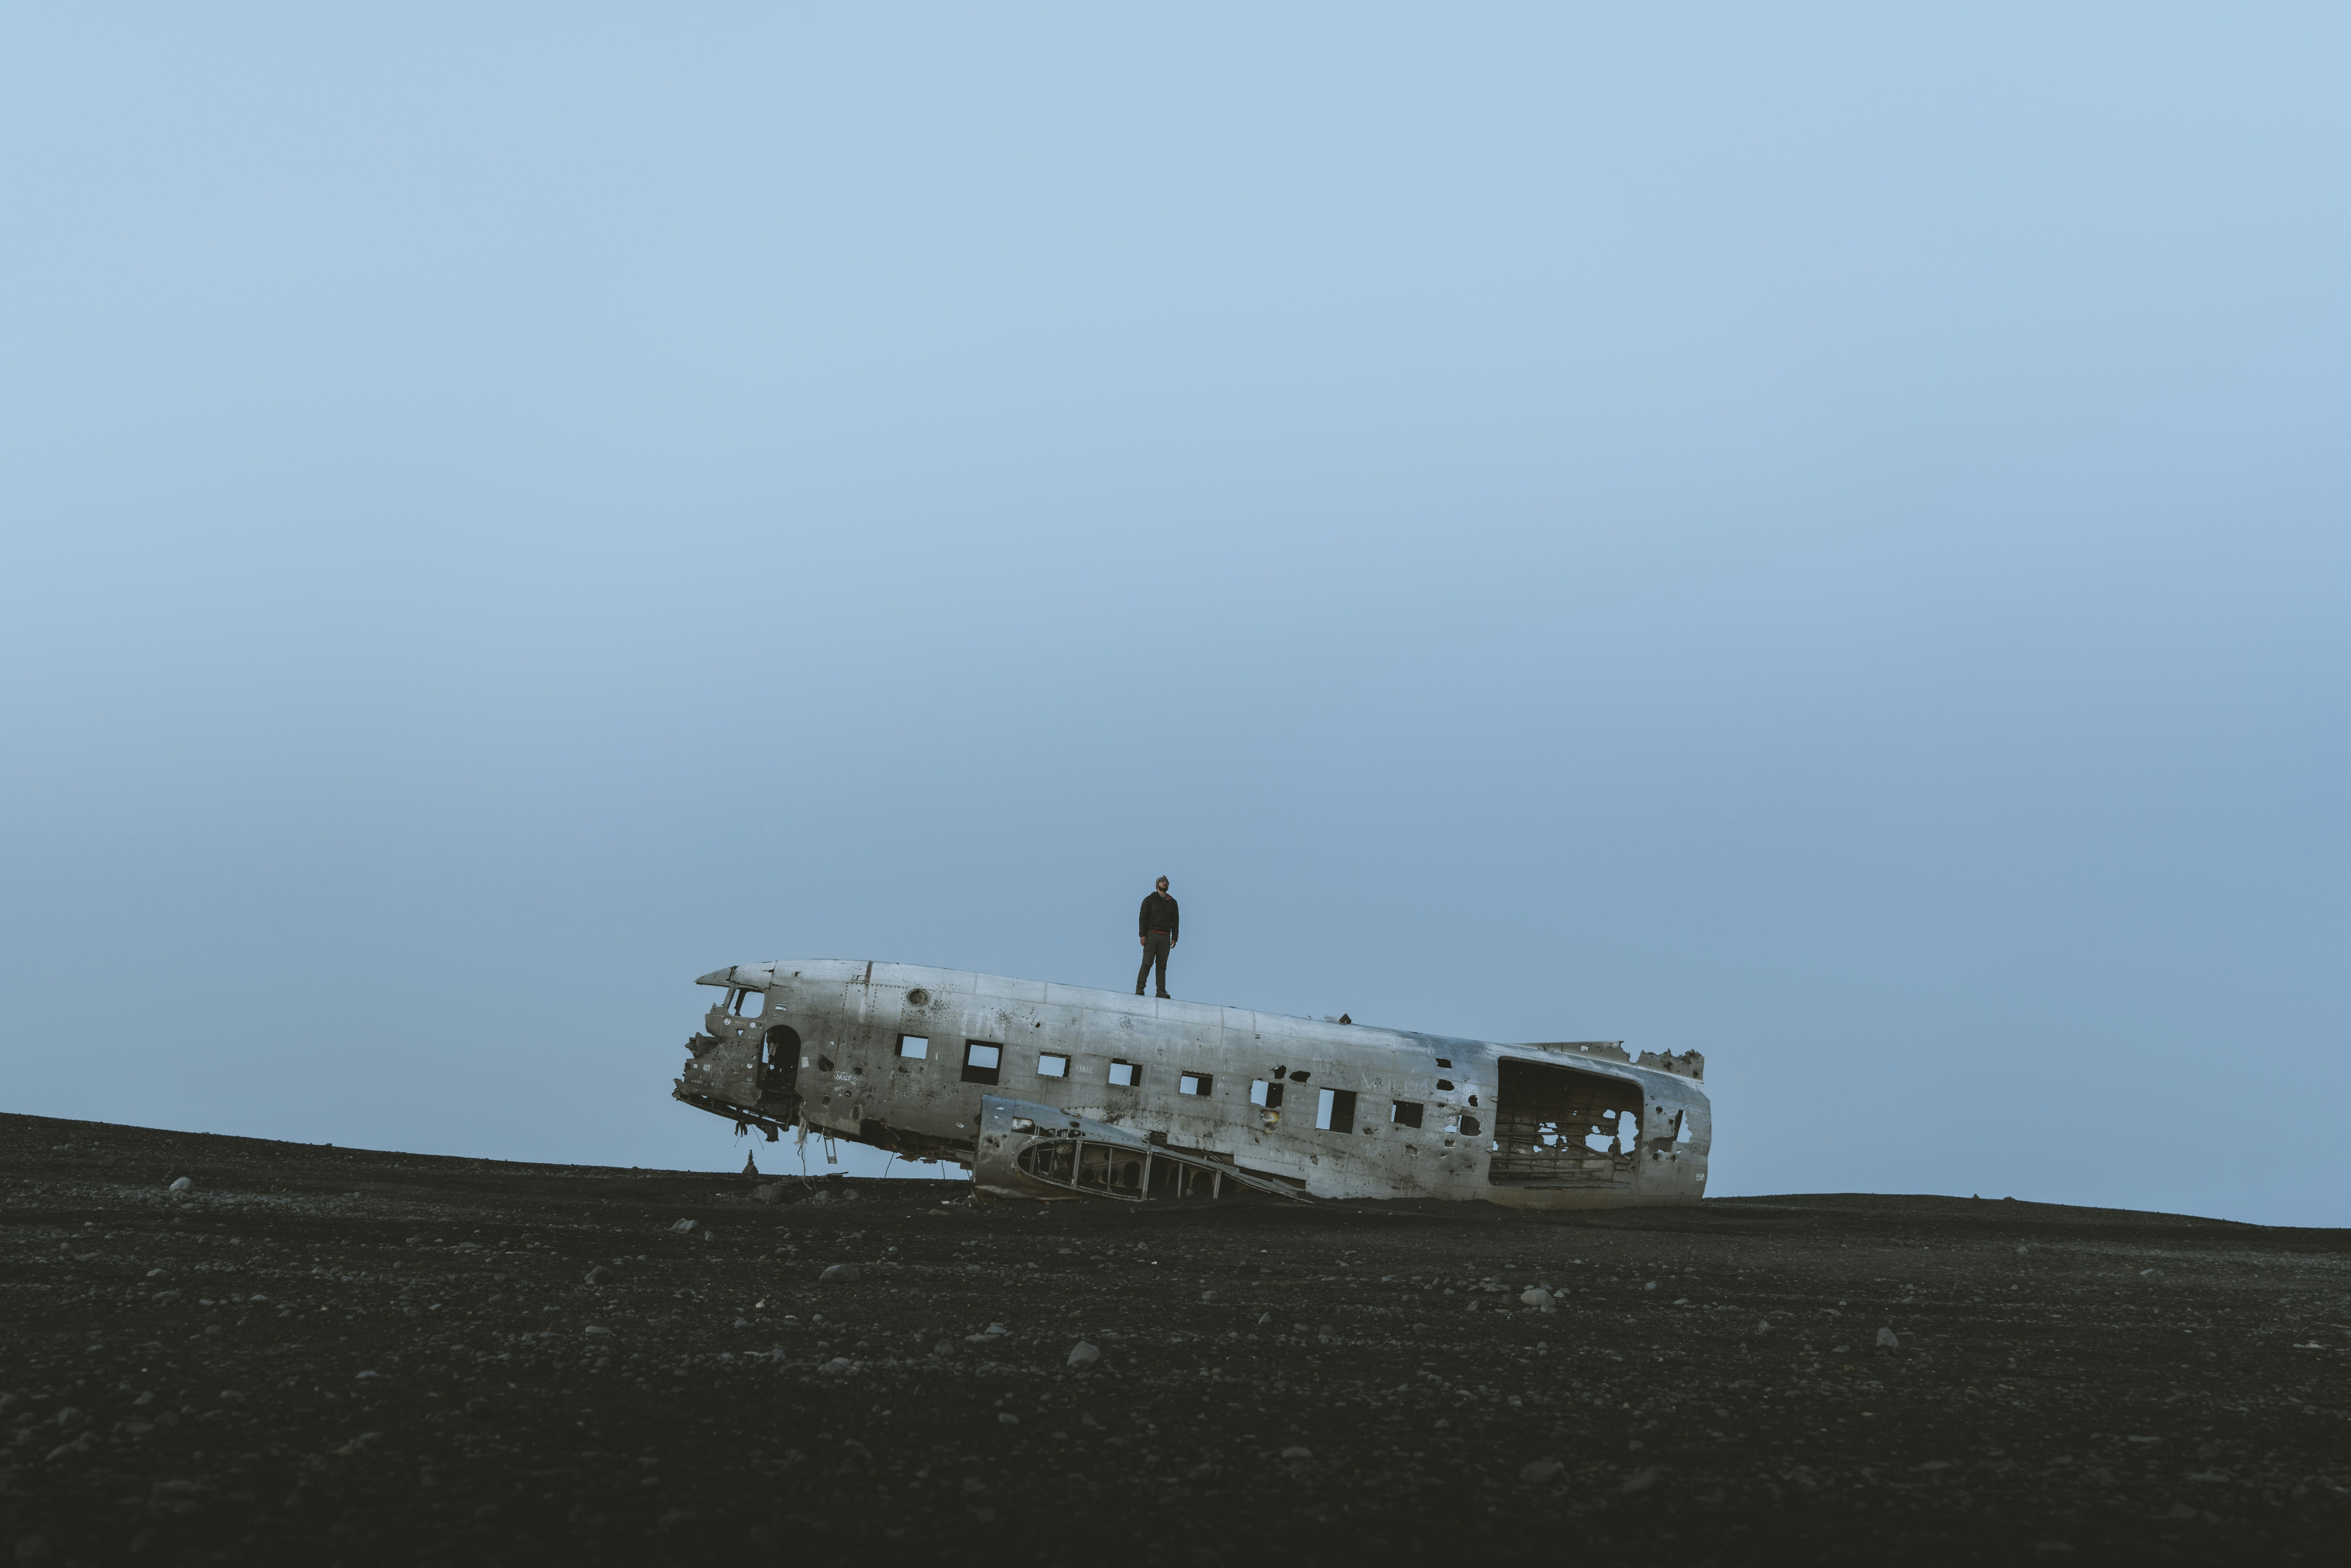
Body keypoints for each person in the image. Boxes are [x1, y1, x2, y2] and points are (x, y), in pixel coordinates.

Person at [1136, 876, 1179, 998]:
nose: (1165, 883)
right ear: (1157, 885)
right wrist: (1143, 935)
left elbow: (1176, 922)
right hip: (1152, 935)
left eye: (1166, 882)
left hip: (1166, 937)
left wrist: (1175, 938)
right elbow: (1143, 918)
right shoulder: (1149, 900)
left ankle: (1161, 991)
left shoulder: (1173, 902)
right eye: (1162, 882)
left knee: (1162, 965)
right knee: (1147, 963)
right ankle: (1140, 988)